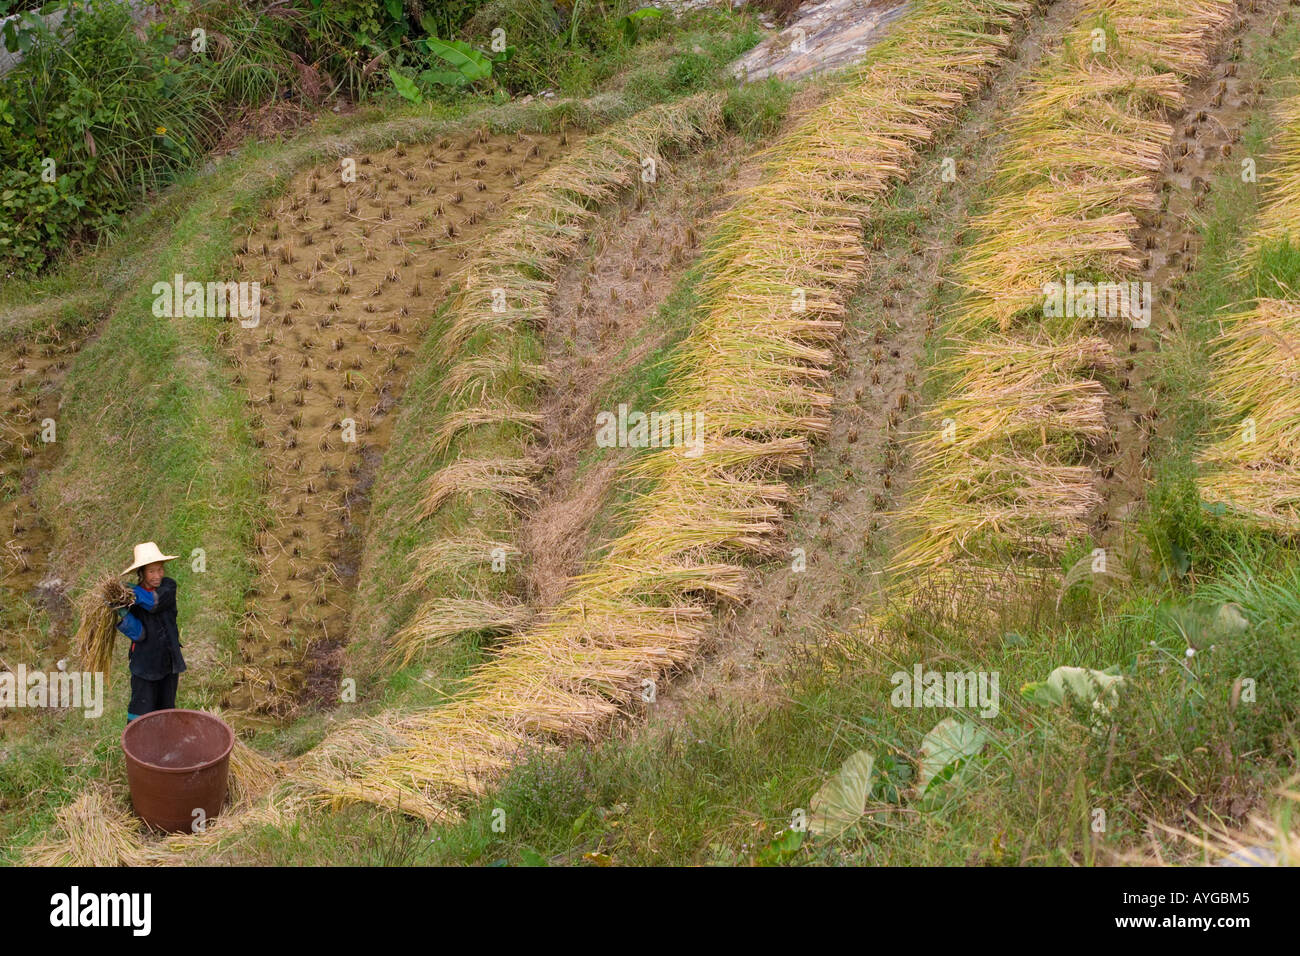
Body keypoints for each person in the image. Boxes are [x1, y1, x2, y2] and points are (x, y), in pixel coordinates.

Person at [117, 542, 186, 722]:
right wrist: (121, 610)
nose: (158, 575)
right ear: (141, 573)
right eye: (151, 571)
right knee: (141, 714)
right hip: (145, 665)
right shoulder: (131, 600)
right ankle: (136, 748)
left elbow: (153, 603)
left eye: (160, 569)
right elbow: (139, 634)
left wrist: (130, 592)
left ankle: (164, 747)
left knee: (166, 710)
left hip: (168, 660)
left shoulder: (168, 587)